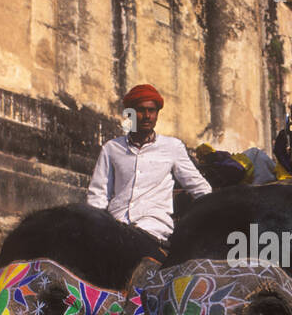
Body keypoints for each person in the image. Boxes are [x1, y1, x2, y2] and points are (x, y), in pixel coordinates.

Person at [86, 83, 210, 250]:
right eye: (141, 110)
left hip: (154, 229)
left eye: (151, 111)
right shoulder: (112, 148)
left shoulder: (172, 147)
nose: (146, 116)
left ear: (157, 115)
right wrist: (94, 227)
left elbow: (200, 188)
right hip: (115, 227)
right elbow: (98, 195)